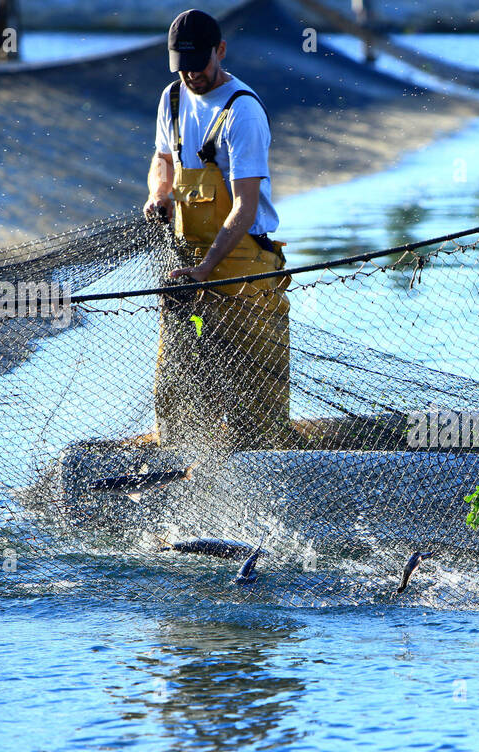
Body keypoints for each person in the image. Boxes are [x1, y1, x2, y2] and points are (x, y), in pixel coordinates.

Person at [143, 8, 291, 450]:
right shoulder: (171, 98)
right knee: (180, 384)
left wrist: (206, 270)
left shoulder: (241, 111)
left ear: (220, 51)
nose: (191, 75)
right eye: (182, 66)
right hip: (188, 268)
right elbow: (163, 159)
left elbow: (244, 207)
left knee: (256, 397)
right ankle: (185, 470)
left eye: (199, 64)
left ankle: (261, 469)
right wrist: (160, 193)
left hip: (244, 267)